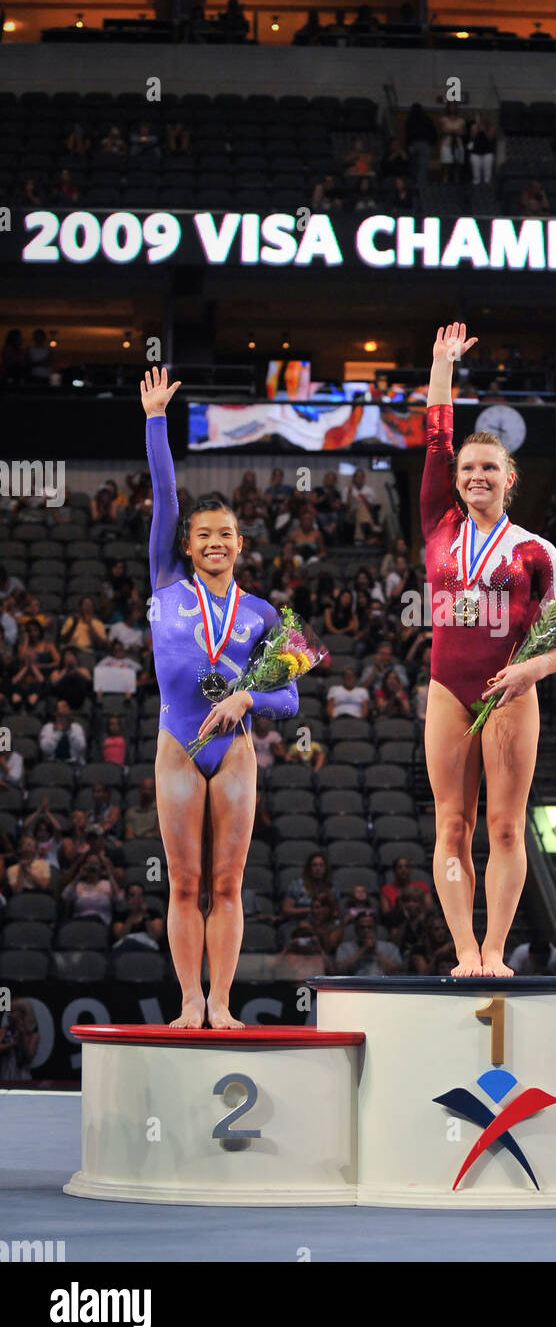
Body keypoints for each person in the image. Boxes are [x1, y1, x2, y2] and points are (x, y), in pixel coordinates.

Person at [142, 366, 299, 1029]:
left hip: (232, 752)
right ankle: (187, 1004)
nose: (212, 542)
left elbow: (287, 698)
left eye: (224, 535)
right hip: (178, 744)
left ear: (239, 544)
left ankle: (224, 1005)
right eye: (202, 536)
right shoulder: (166, 581)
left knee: (228, 885)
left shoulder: (263, 612)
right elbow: (166, 493)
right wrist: (155, 418)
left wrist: (247, 702)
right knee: (182, 883)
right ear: (188, 545)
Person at [422, 322, 556, 975]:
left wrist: (533, 668)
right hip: (447, 691)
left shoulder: (535, 549)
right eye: (468, 467)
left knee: (506, 829)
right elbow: (434, 437)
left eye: (489, 467)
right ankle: (463, 950)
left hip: (510, 691)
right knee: (451, 825)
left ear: (508, 477)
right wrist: (440, 366)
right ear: (455, 479)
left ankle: (495, 948)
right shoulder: (437, 522)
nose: (476, 474)